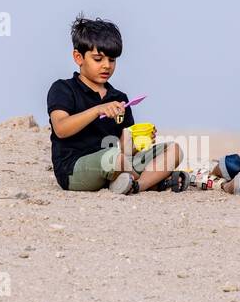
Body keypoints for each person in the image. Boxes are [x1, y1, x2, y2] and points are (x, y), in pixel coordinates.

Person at [46, 16, 186, 194]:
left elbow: (127, 150)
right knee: (114, 158)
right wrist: (97, 110)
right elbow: (61, 128)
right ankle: (152, 181)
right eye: (98, 59)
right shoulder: (63, 88)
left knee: (174, 150)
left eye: (112, 60)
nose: (106, 66)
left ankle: (137, 186)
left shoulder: (118, 98)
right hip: (74, 169)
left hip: (118, 164)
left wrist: (140, 141)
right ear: (78, 57)